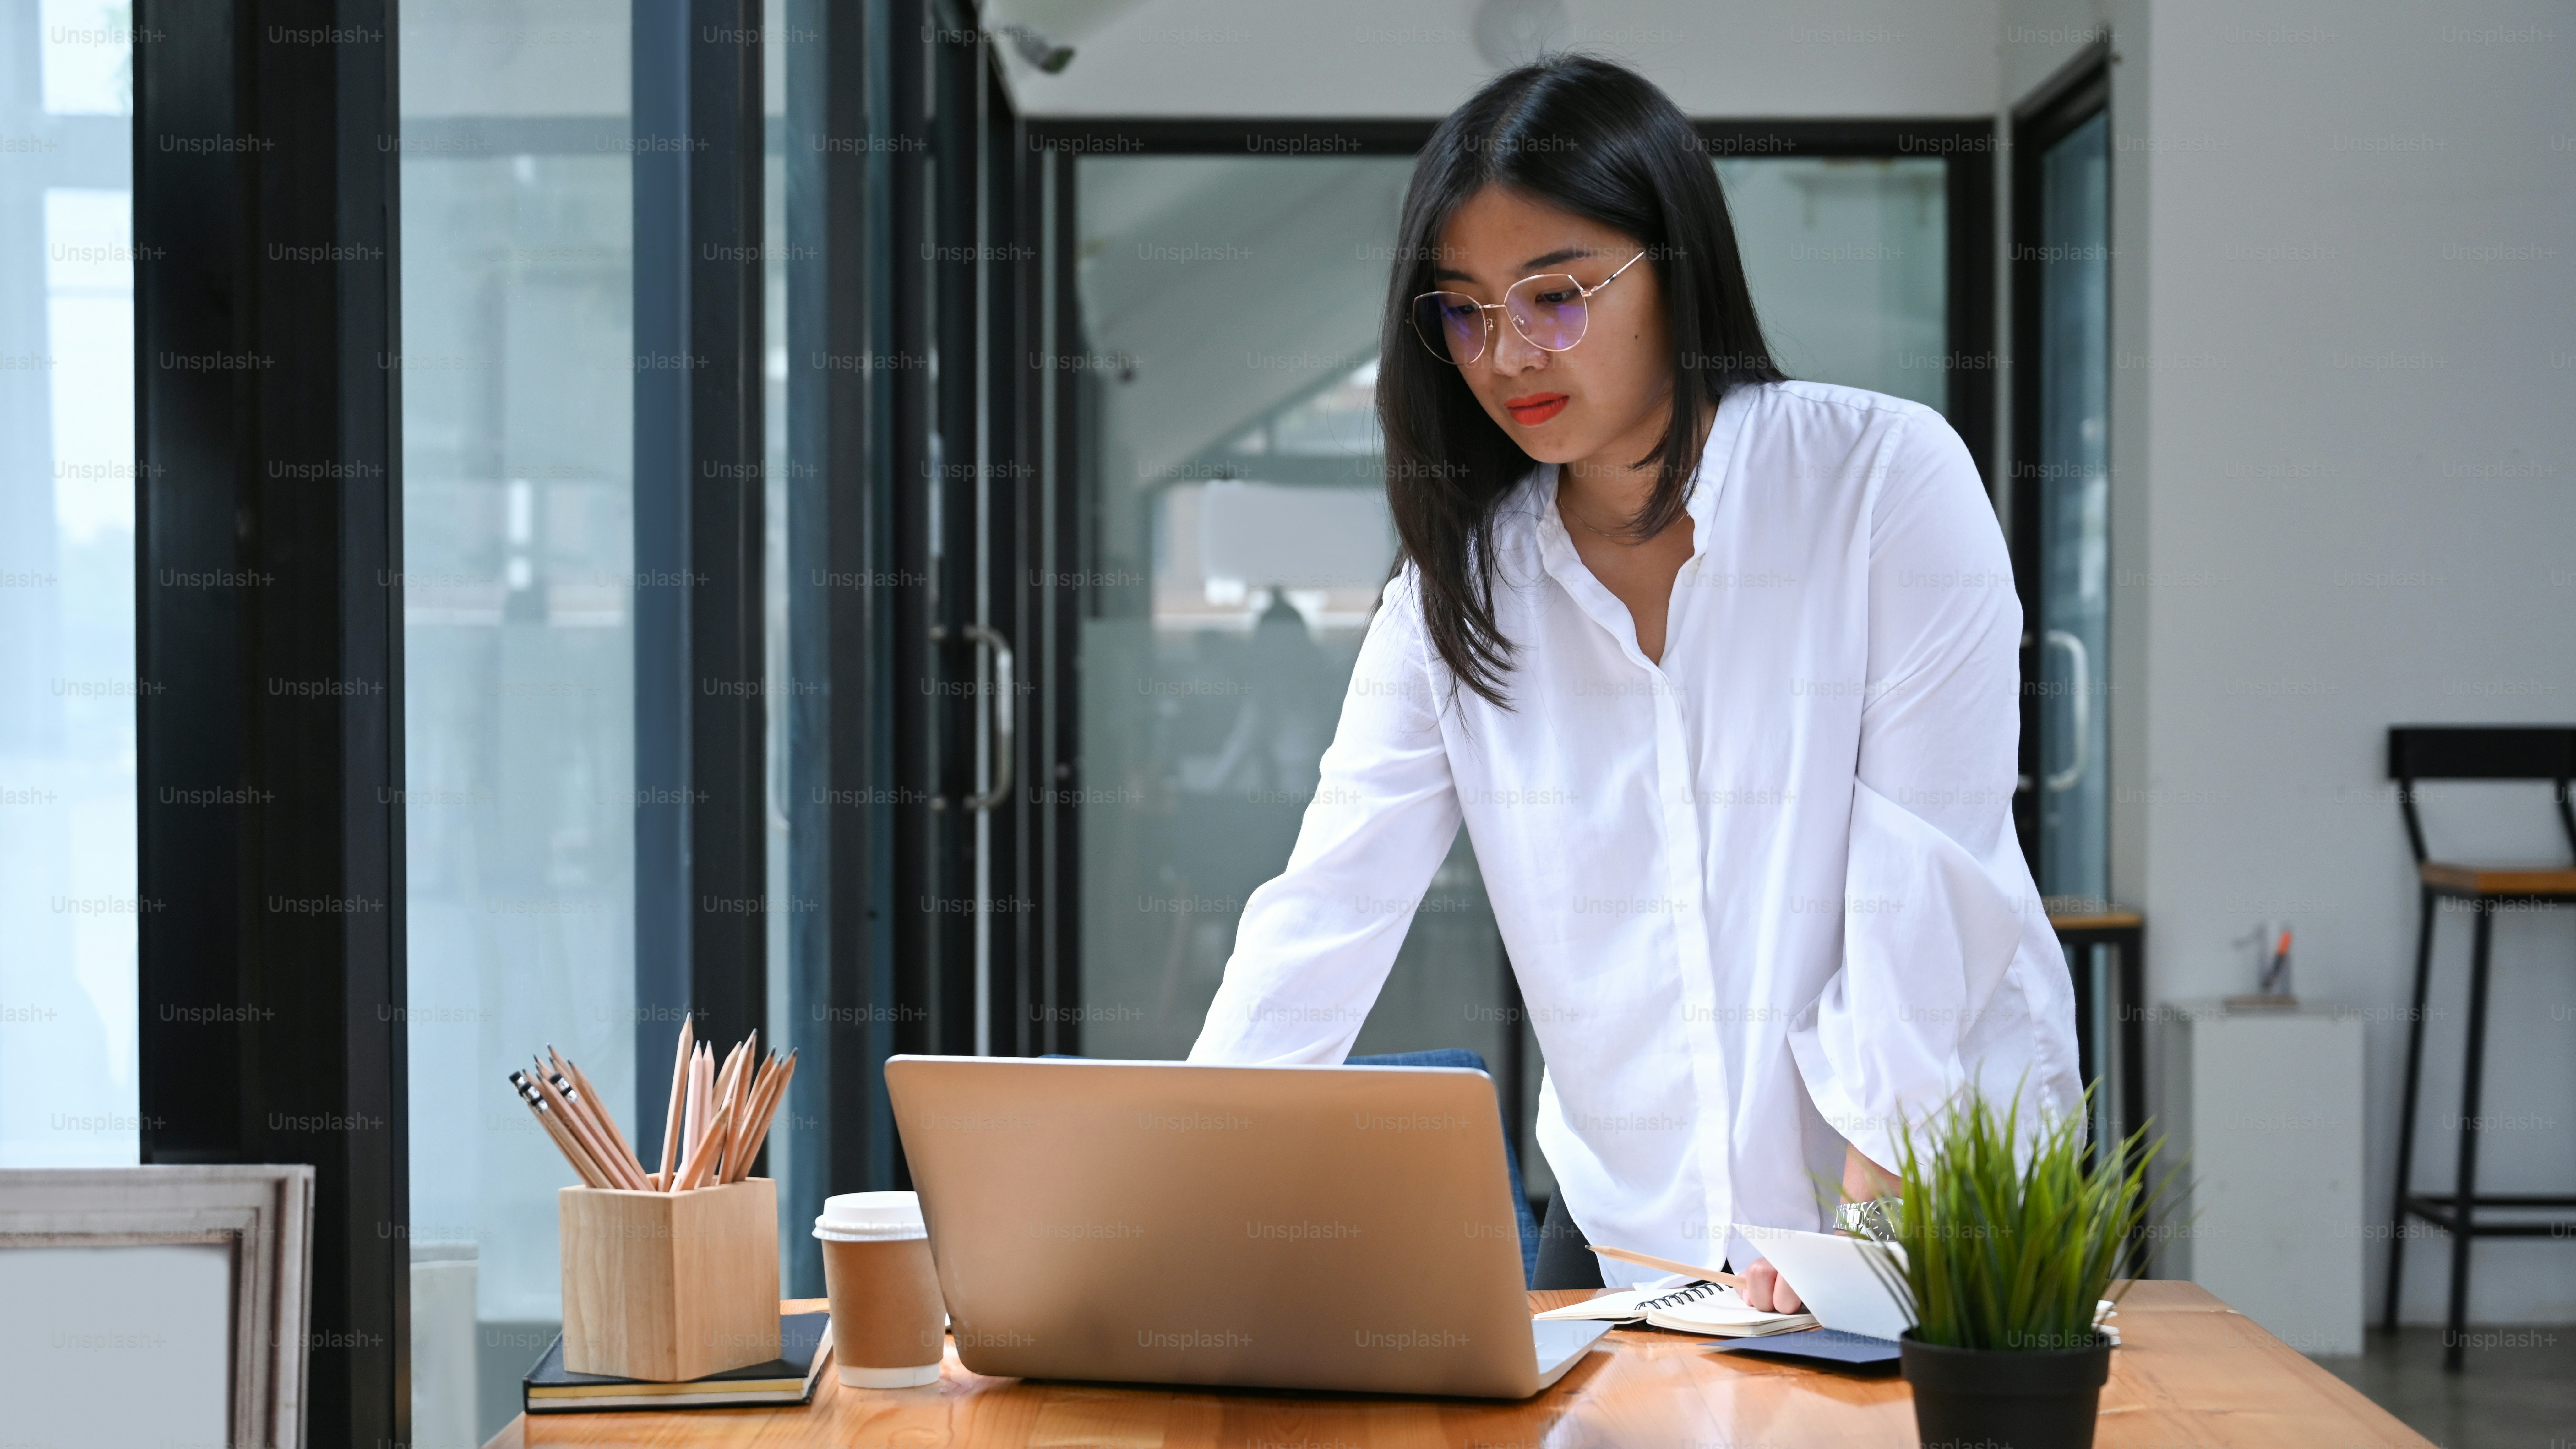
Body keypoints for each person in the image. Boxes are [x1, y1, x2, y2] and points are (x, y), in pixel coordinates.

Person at [1186, 54, 2081, 1311]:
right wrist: (1162, 1217)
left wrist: (1867, 1227)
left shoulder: (1879, 483)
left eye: (1554, 295)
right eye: (1463, 310)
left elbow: (1924, 880)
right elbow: (1321, 914)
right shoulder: (1459, 587)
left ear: (1677, 267)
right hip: (1636, 1227)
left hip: (1925, 1191)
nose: (1504, 356)